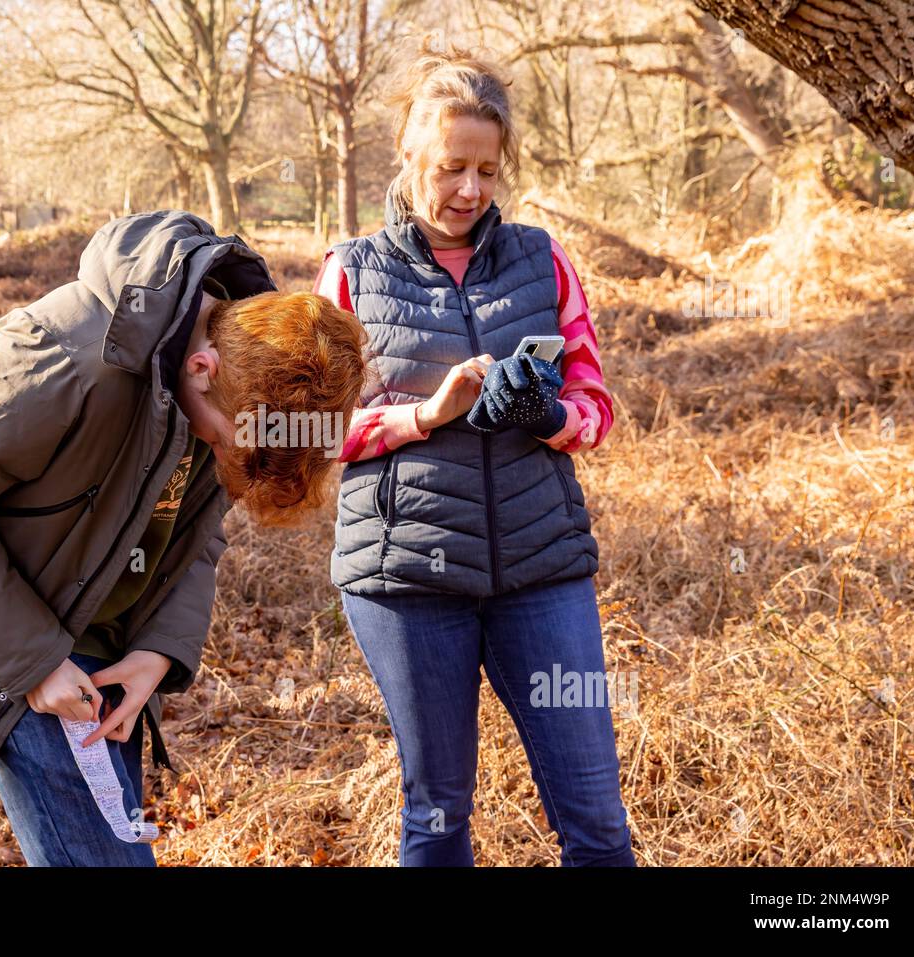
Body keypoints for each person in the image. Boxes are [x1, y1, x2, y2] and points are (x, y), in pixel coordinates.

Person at [0, 208, 368, 865]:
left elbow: (199, 535)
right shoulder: (60, 359)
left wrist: (159, 650)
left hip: (99, 652)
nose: (222, 460)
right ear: (204, 367)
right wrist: (36, 662)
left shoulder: (245, 389)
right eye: (222, 441)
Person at [312, 36, 635, 866]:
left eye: (487, 172)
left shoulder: (544, 259)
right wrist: (424, 414)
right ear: (408, 153)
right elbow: (310, 433)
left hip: (544, 571)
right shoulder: (350, 274)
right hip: (408, 578)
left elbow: (598, 410)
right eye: (451, 165)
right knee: (437, 817)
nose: (468, 189)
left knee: (598, 820)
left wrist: (546, 411)